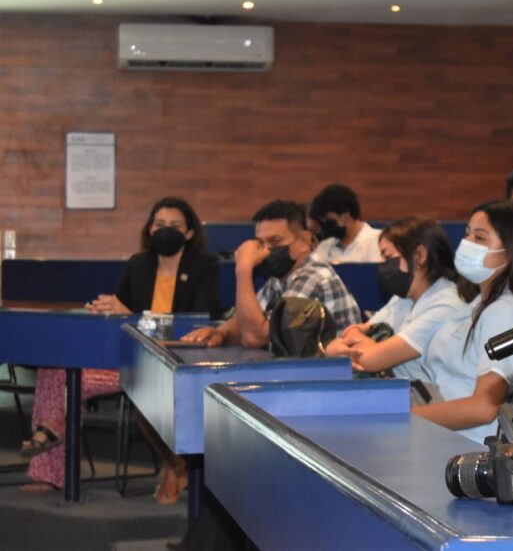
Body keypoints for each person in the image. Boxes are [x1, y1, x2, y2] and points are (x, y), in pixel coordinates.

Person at [23, 197, 220, 500]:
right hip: (126, 362)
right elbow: (119, 317)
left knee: (135, 391)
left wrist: (129, 312)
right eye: (159, 224)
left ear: (190, 233)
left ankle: (175, 465)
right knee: (55, 370)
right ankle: (48, 470)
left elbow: (195, 322)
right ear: (149, 229)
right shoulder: (138, 265)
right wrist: (107, 309)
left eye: (174, 226)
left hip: (174, 363)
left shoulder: (204, 266)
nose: (165, 230)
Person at [413, 200, 513, 442]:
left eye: (480, 238)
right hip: (437, 423)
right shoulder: (478, 301)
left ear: (512, 251)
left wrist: (408, 416)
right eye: (467, 234)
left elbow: (483, 408)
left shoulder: (507, 311)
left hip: (465, 443)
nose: (467, 244)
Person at [183, 200, 361, 349]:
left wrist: (243, 270)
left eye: (275, 241)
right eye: (261, 243)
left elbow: (256, 336)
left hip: (343, 380)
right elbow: (246, 321)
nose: (267, 250)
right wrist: (222, 332)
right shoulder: (280, 277)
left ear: (304, 241)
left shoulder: (313, 277)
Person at [325, 217, 464, 381]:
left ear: (419, 255)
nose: (382, 265)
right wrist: (364, 344)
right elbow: (346, 338)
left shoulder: (445, 305)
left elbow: (371, 359)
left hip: (433, 401)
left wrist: (368, 348)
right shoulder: (403, 300)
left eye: (387, 256)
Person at [308, 184, 382, 263]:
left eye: (329, 220)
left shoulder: (378, 241)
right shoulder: (325, 246)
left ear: (345, 215)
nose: (326, 225)